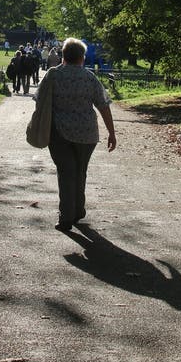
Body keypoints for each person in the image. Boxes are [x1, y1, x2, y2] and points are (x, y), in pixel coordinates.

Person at [36, 36, 116, 232]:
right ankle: (78, 210)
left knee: (66, 173)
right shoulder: (90, 78)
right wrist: (111, 133)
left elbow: (39, 100)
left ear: (63, 56)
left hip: (59, 133)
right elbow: (103, 106)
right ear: (82, 57)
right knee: (80, 171)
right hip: (87, 134)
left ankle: (66, 217)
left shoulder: (52, 75)